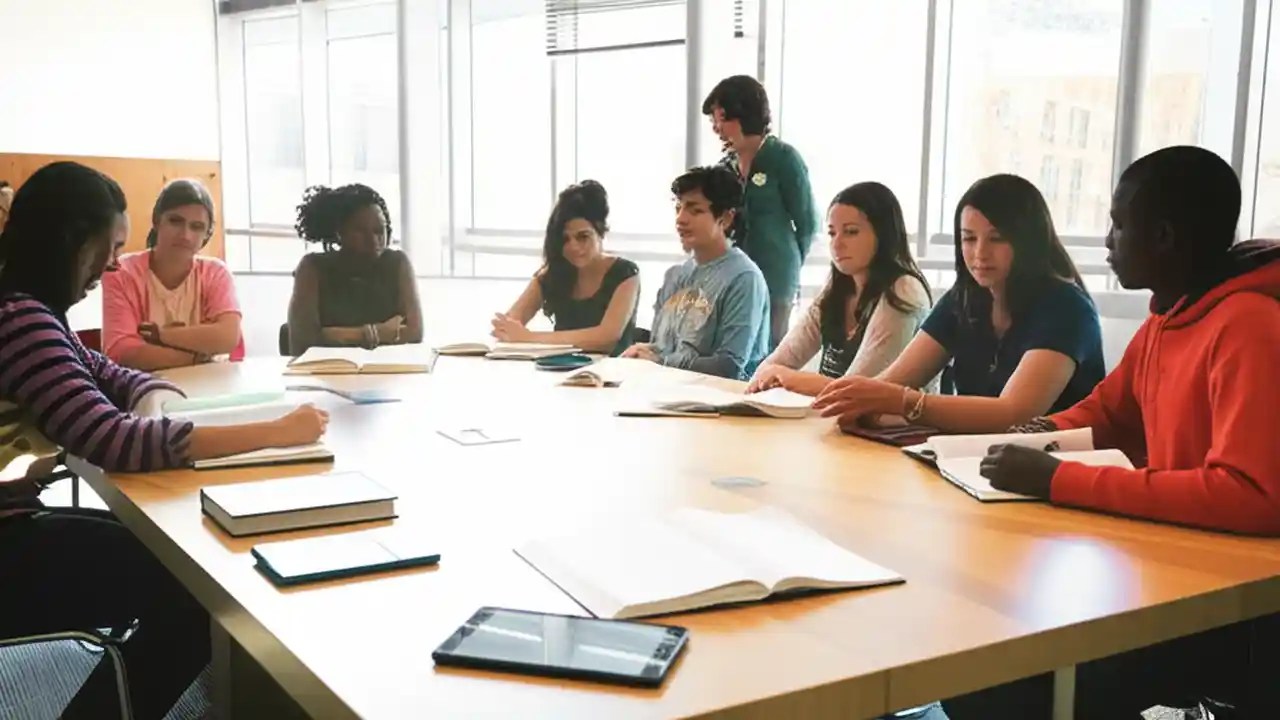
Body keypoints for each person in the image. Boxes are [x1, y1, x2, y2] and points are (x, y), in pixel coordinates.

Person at [949, 147, 1280, 720]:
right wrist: (1026, 439)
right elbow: (1108, 413)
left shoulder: (1247, 327)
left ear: (1165, 236)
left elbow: (1251, 496)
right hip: (1170, 566)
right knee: (977, 659)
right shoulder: (1168, 317)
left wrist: (1059, 480)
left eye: (1118, 224)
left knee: (997, 688)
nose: (1106, 240)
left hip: (1230, 609)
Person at [0, 162, 329, 720]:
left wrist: (155, 388)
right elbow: (111, 440)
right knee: (200, 590)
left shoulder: (29, 307)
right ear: (70, 239)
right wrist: (273, 433)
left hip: (15, 517)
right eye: (108, 246)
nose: (109, 264)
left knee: (173, 561)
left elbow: (108, 370)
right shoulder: (21, 318)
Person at [812, 174, 1104, 433]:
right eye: (968, 238)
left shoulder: (1067, 308)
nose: (980, 253)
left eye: (997, 239)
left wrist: (904, 403)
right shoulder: (964, 297)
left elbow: (1015, 413)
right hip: (971, 461)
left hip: (1050, 468)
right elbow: (892, 383)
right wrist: (867, 404)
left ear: (1028, 241)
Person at [747, 182, 933, 397]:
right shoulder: (836, 288)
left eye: (851, 232)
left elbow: (858, 389)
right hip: (838, 420)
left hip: (892, 425)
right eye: (832, 233)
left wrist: (787, 378)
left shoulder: (904, 289)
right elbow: (780, 361)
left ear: (883, 234)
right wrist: (763, 383)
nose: (837, 243)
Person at [621, 166, 769, 380]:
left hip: (722, 402)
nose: (681, 219)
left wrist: (660, 362)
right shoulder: (675, 275)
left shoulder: (744, 278)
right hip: (666, 391)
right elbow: (662, 347)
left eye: (695, 210)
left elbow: (729, 366)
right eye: (678, 208)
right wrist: (641, 352)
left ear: (726, 219)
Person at [703, 75, 817, 348]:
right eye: (713, 121)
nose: (717, 128)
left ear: (743, 114)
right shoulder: (723, 168)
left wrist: (788, 262)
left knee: (772, 349)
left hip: (776, 275)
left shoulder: (783, 158)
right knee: (735, 347)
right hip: (733, 276)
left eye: (722, 118)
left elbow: (807, 223)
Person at [102, 178, 245, 370]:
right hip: (144, 388)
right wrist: (199, 356)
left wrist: (160, 336)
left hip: (210, 385)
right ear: (156, 221)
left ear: (207, 234)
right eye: (175, 221)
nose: (185, 235)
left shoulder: (216, 273)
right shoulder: (120, 272)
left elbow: (227, 337)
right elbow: (121, 351)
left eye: (197, 227)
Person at [491, 180, 640, 355]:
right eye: (565, 239)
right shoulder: (553, 273)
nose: (573, 247)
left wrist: (528, 338)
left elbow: (606, 338)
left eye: (583, 237)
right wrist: (512, 332)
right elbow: (507, 325)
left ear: (601, 232)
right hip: (560, 370)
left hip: (612, 374)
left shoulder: (625, 274)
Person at [287, 183, 423, 355]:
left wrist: (335, 334)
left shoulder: (397, 263)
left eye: (379, 231)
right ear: (339, 233)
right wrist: (379, 333)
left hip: (388, 372)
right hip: (329, 372)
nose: (373, 240)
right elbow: (303, 342)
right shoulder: (312, 267)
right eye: (360, 231)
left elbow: (414, 334)